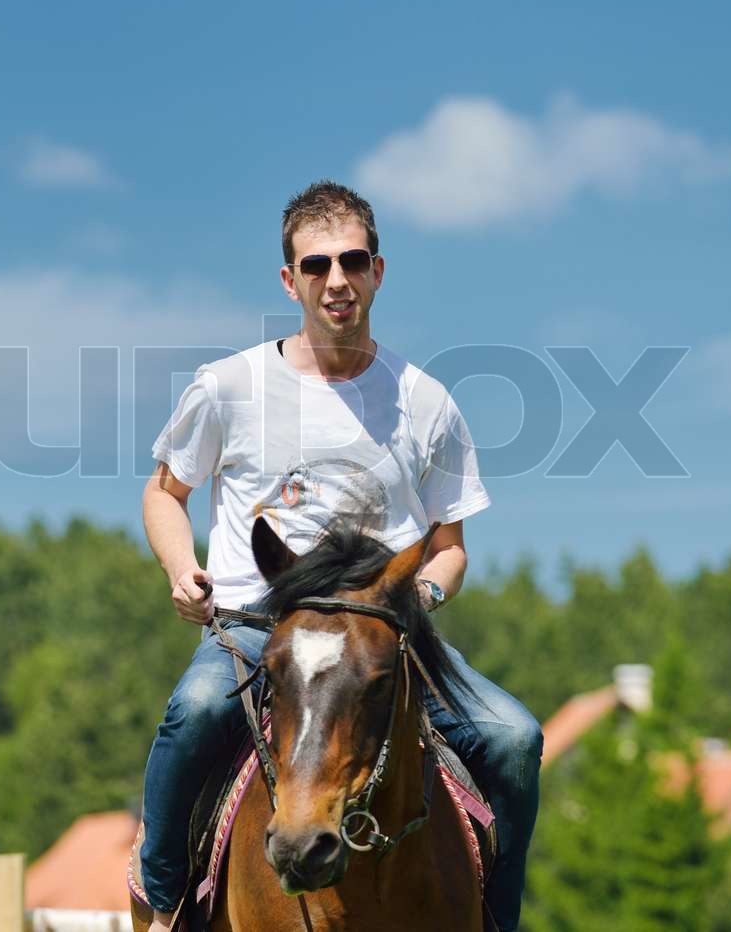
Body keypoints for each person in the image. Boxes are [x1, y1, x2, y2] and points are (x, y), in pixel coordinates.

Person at [138, 181, 542, 931]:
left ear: (377, 273)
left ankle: (498, 919)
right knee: (194, 712)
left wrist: (418, 599)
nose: (337, 280)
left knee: (515, 739)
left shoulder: (426, 402)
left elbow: (449, 548)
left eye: (352, 261)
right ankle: (158, 900)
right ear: (290, 281)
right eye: (316, 264)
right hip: (261, 622)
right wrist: (179, 568)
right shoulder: (228, 387)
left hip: (381, 632)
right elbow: (165, 493)